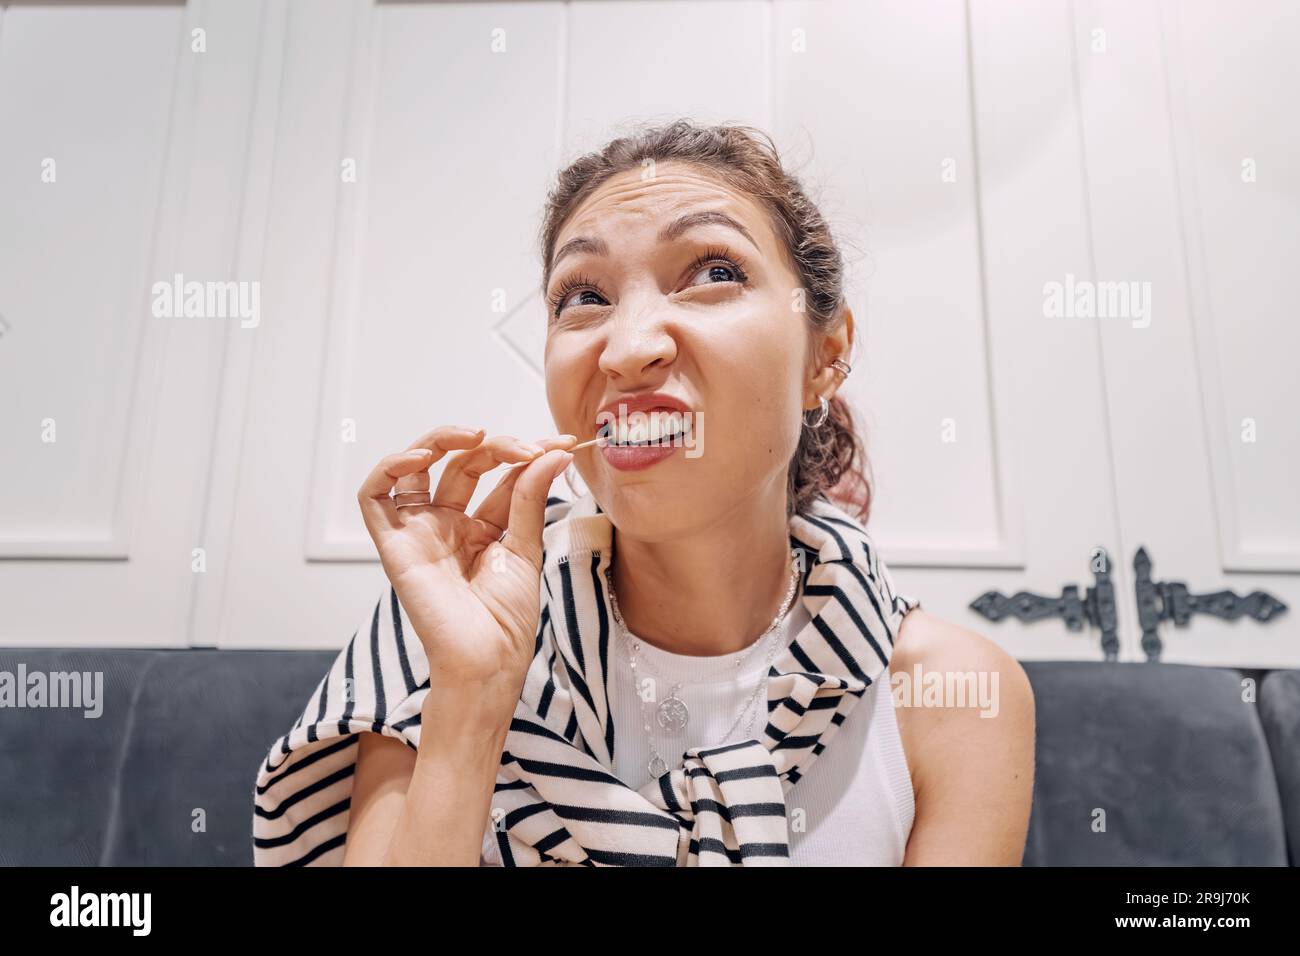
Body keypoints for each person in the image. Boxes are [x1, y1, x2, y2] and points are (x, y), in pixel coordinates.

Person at [253, 120, 1035, 867]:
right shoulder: (437, 638)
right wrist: (472, 696)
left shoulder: (953, 696)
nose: (627, 349)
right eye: (581, 298)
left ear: (824, 357)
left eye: (714, 274)